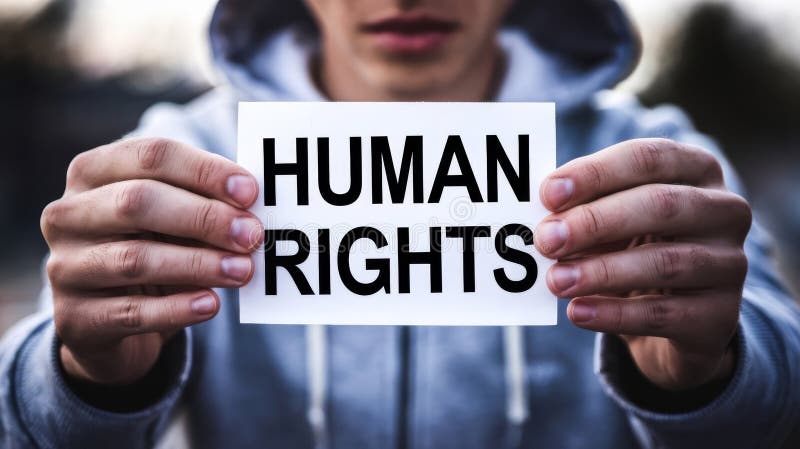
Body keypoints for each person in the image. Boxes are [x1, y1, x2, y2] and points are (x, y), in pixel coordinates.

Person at [1, 0, 799, 447]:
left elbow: (780, 384)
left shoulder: (655, 164)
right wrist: (85, 373)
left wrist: (711, 368)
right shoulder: (179, 158)